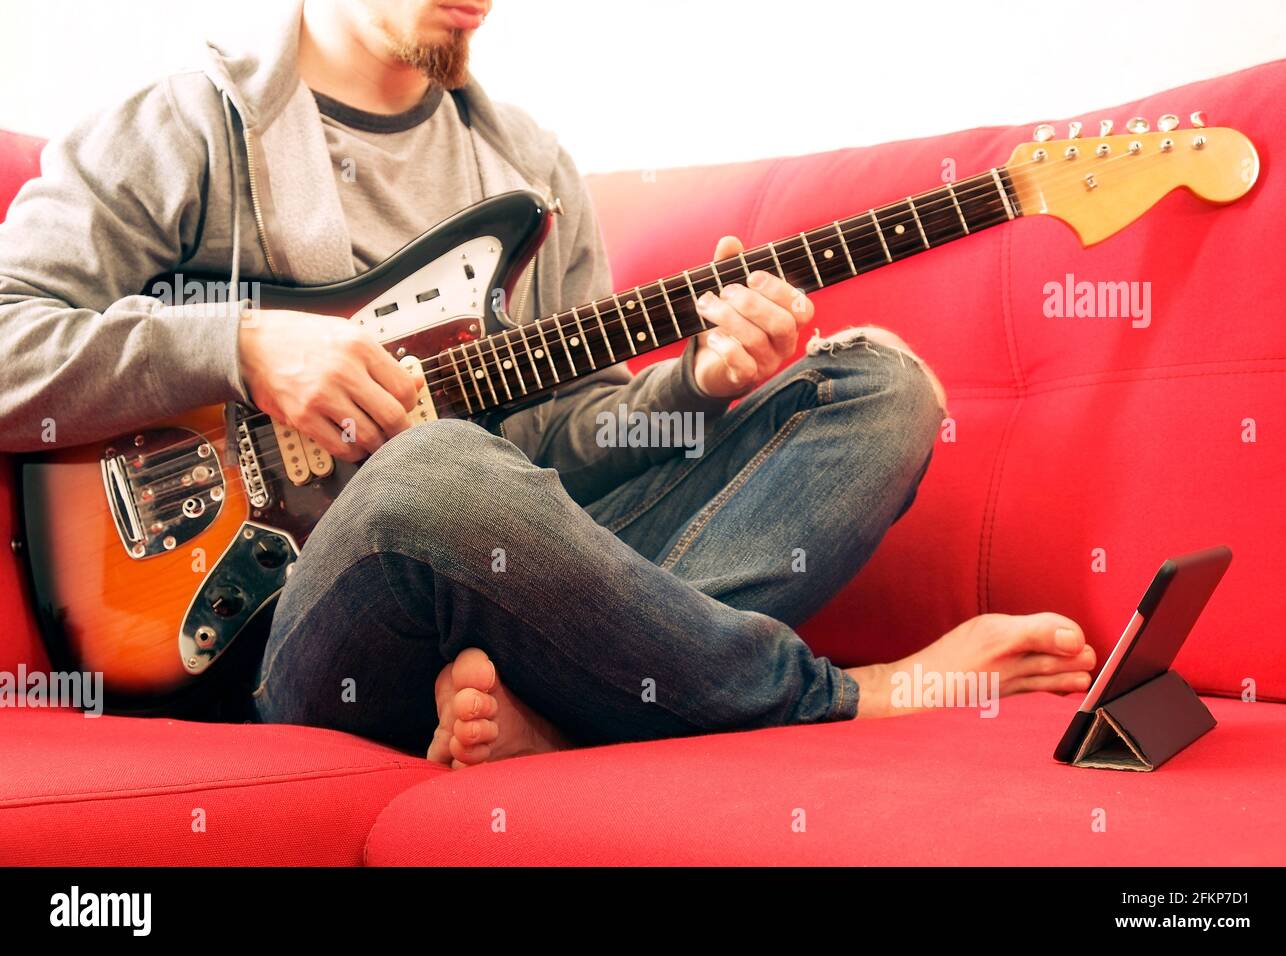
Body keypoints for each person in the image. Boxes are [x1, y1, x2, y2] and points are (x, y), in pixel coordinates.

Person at [0, 0, 1096, 768]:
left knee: (876, 388)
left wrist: (696, 384)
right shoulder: (186, 126)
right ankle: (841, 696)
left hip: (520, 588)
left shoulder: (526, 168)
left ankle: (565, 714)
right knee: (432, 469)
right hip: (282, 640)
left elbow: (555, 446)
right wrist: (238, 346)